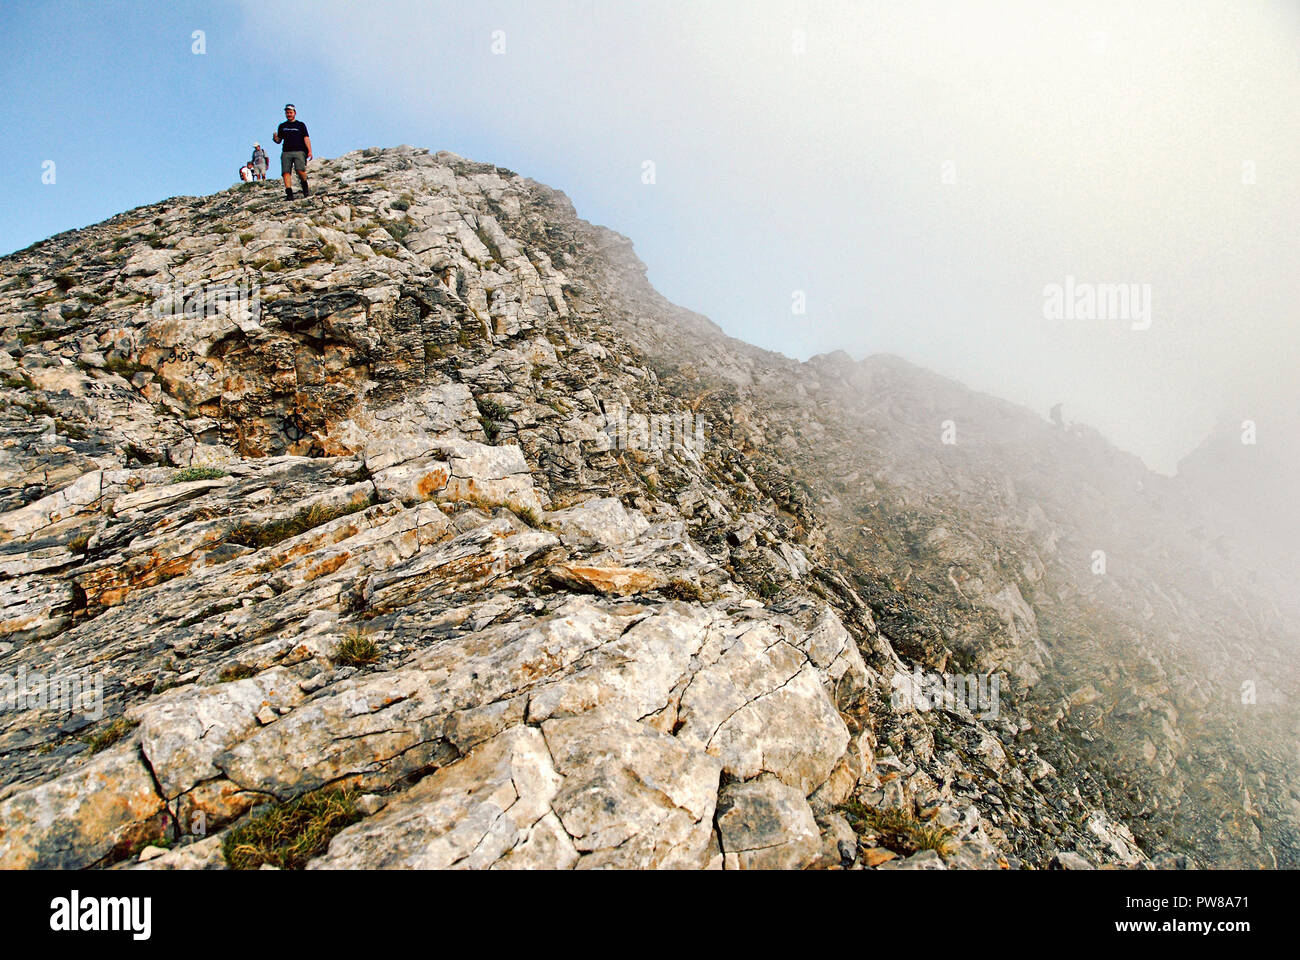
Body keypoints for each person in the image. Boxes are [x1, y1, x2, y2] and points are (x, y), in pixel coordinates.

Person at [272, 104, 312, 199]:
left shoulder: (300, 125)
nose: (289, 114)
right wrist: (275, 138)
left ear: (295, 113)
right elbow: (279, 140)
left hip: (299, 151)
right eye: (287, 113)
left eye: (290, 112)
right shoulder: (282, 126)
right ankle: (289, 194)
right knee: (286, 172)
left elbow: (306, 138)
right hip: (286, 152)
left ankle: (305, 186)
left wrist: (310, 151)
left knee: (300, 170)